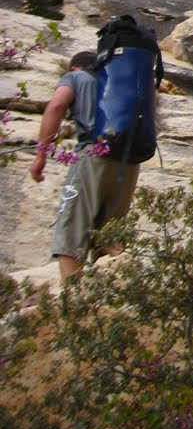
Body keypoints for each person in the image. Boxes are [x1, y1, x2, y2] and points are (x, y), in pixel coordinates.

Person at [28, 46, 143, 280]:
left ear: (75, 67)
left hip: (94, 157)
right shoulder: (119, 82)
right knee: (111, 236)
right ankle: (121, 296)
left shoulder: (75, 77)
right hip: (129, 162)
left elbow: (57, 106)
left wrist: (41, 155)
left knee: (71, 232)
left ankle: (75, 303)